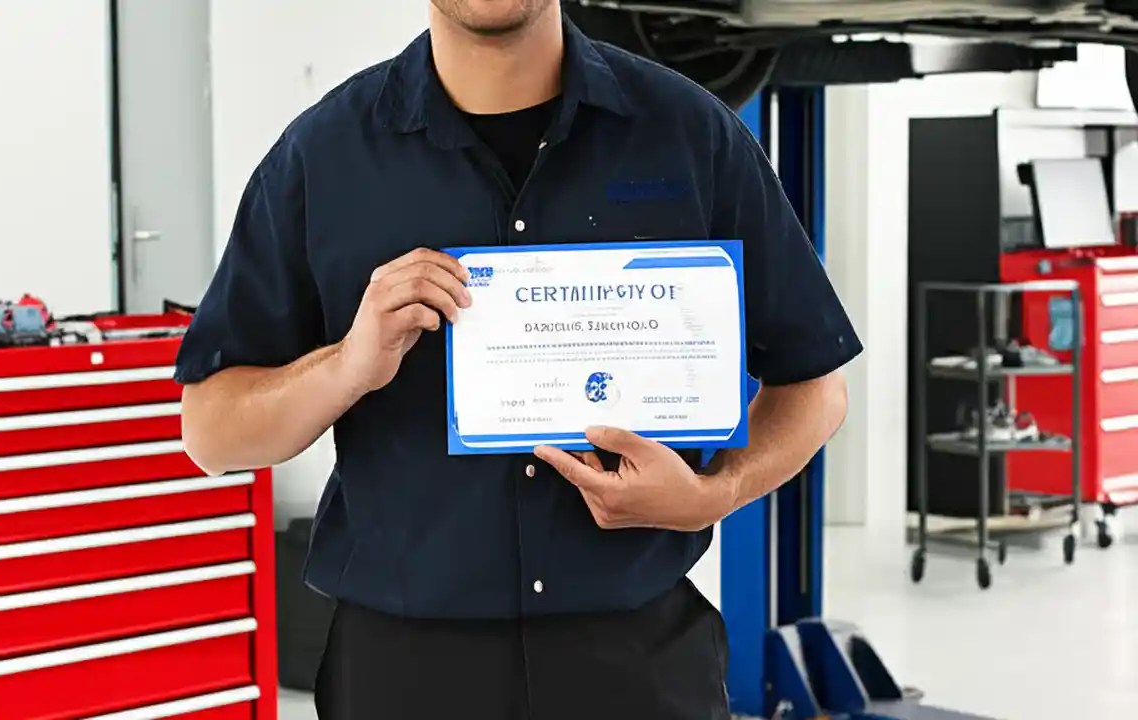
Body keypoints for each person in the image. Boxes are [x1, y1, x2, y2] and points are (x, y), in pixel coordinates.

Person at [176, 1, 861, 718]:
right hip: (403, 676)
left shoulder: (687, 134)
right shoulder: (325, 155)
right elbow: (212, 432)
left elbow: (816, 384)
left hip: (637, 664)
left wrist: (713, 494)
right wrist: (347, 365)